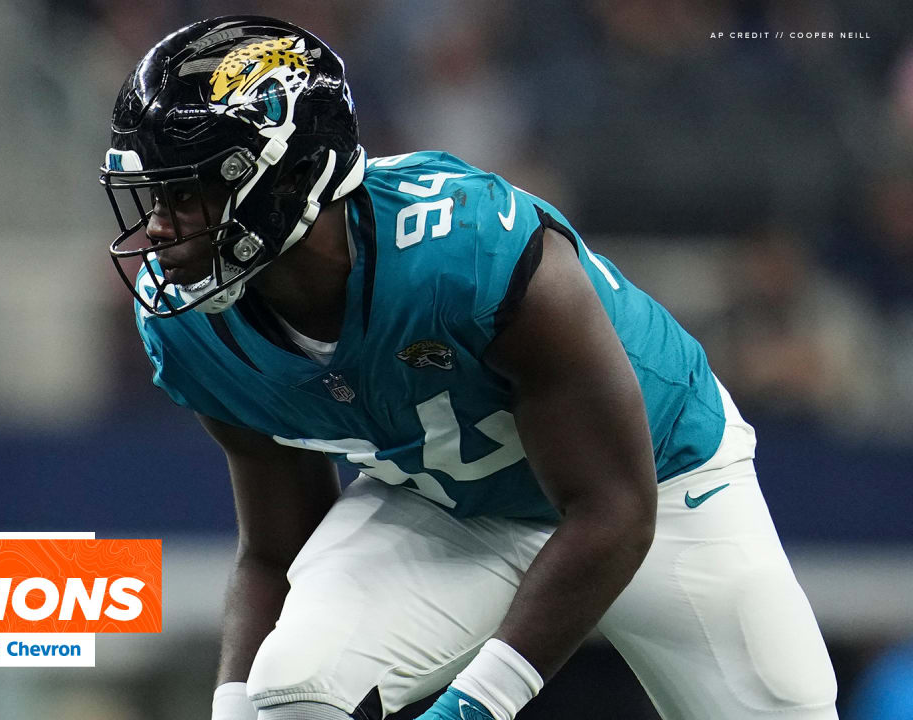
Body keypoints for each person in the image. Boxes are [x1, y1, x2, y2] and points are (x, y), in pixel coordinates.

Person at [98, 15, 839, 720]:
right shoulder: (194, 319)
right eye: (157, 195)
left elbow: (614, 510)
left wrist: (478, 705)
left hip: (664, 484)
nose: (161, 228)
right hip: (450, 501)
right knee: (293, 691)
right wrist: (232, 707)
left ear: (291, 175)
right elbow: (272, 547)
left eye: (190, 193)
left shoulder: (467, 252)